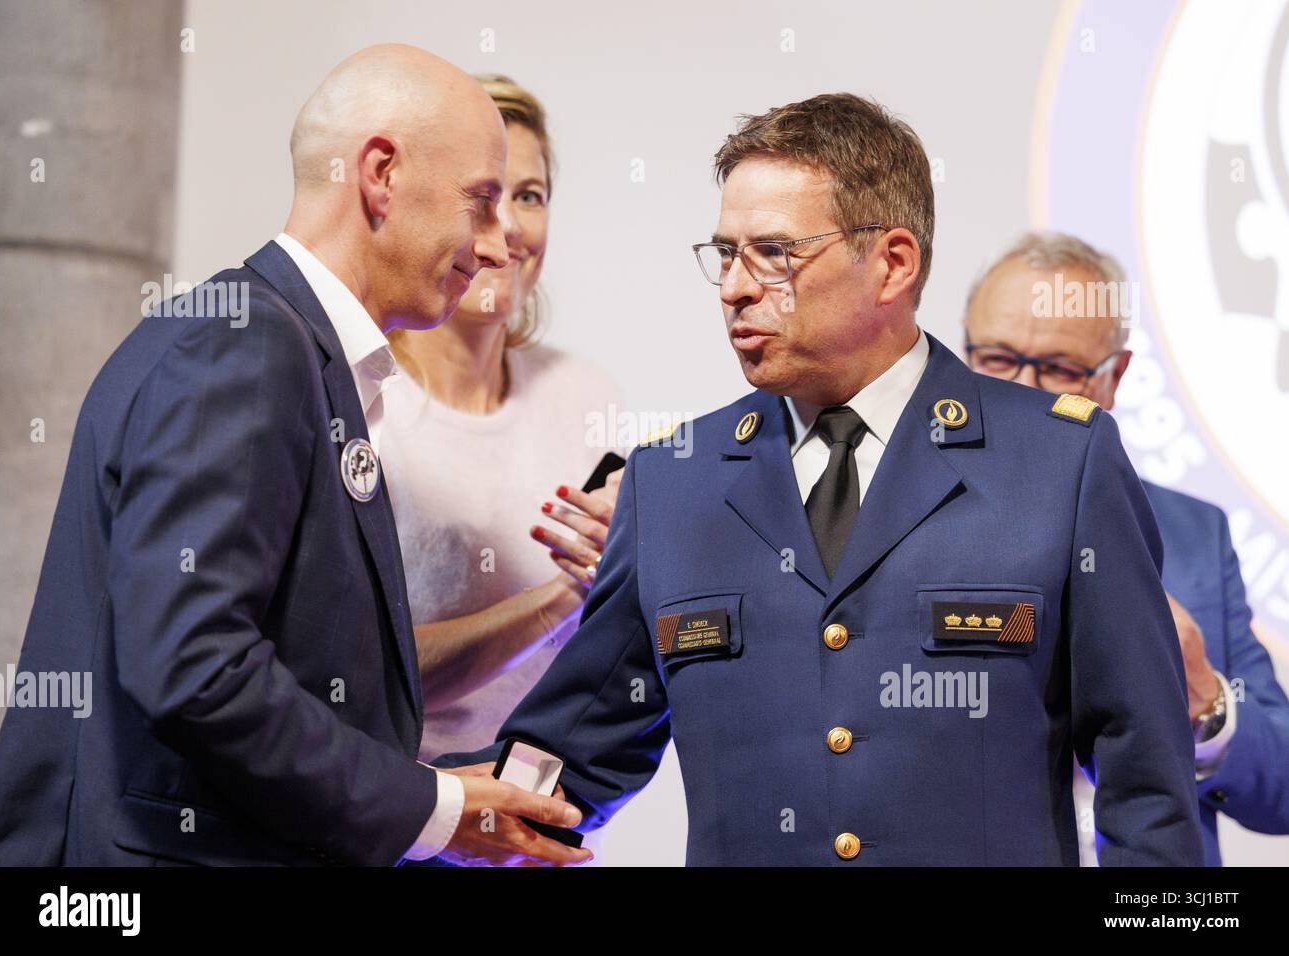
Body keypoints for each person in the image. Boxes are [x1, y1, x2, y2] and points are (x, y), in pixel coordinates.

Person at [436, 92, 1204, 866]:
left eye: (774, 253)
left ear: (892, 264)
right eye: (725, 254)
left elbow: (1148, 786)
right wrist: (400, 811)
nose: (735, 287)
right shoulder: (672, 484)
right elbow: (565, 760)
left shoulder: (1059, 464)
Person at [0, 44, 588, 867]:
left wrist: (451, 794)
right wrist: (433, 803)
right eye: (481, 201)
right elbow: (197, 669)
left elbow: (297, 678)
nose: (497, 244)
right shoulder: (249, 347)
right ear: (380, 176)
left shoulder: (283, 347)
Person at [962, 230, 1289, 865]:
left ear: (1113, 379)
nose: (1026, 391)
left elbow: (1281, 786)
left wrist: (1205, 701)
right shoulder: (897, 521)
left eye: (1059, 369)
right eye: (998, 360)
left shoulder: (1194, 536)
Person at [383, 74, 624, 765]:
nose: (511, 227)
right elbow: (357, 676)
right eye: (483, 196)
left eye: (530, 196)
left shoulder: (587, 394)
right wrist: (566, 593)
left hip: (540, 817)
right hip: (397, 820)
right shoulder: (363, 400)